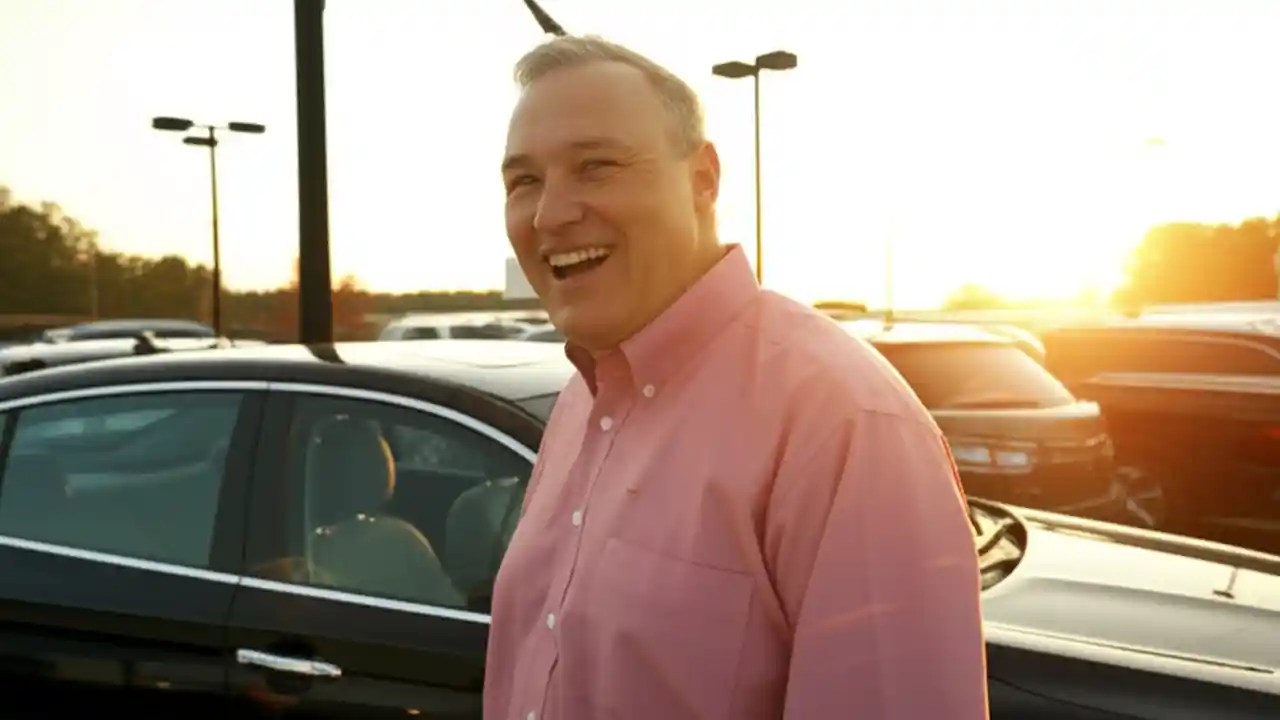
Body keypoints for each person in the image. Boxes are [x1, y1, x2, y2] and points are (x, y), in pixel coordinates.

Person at [486, 34, 988, 720]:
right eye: (525, 181)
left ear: (703, 178)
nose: (550, 213)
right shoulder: (583, 399)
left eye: (596, 166)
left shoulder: (841, 421)